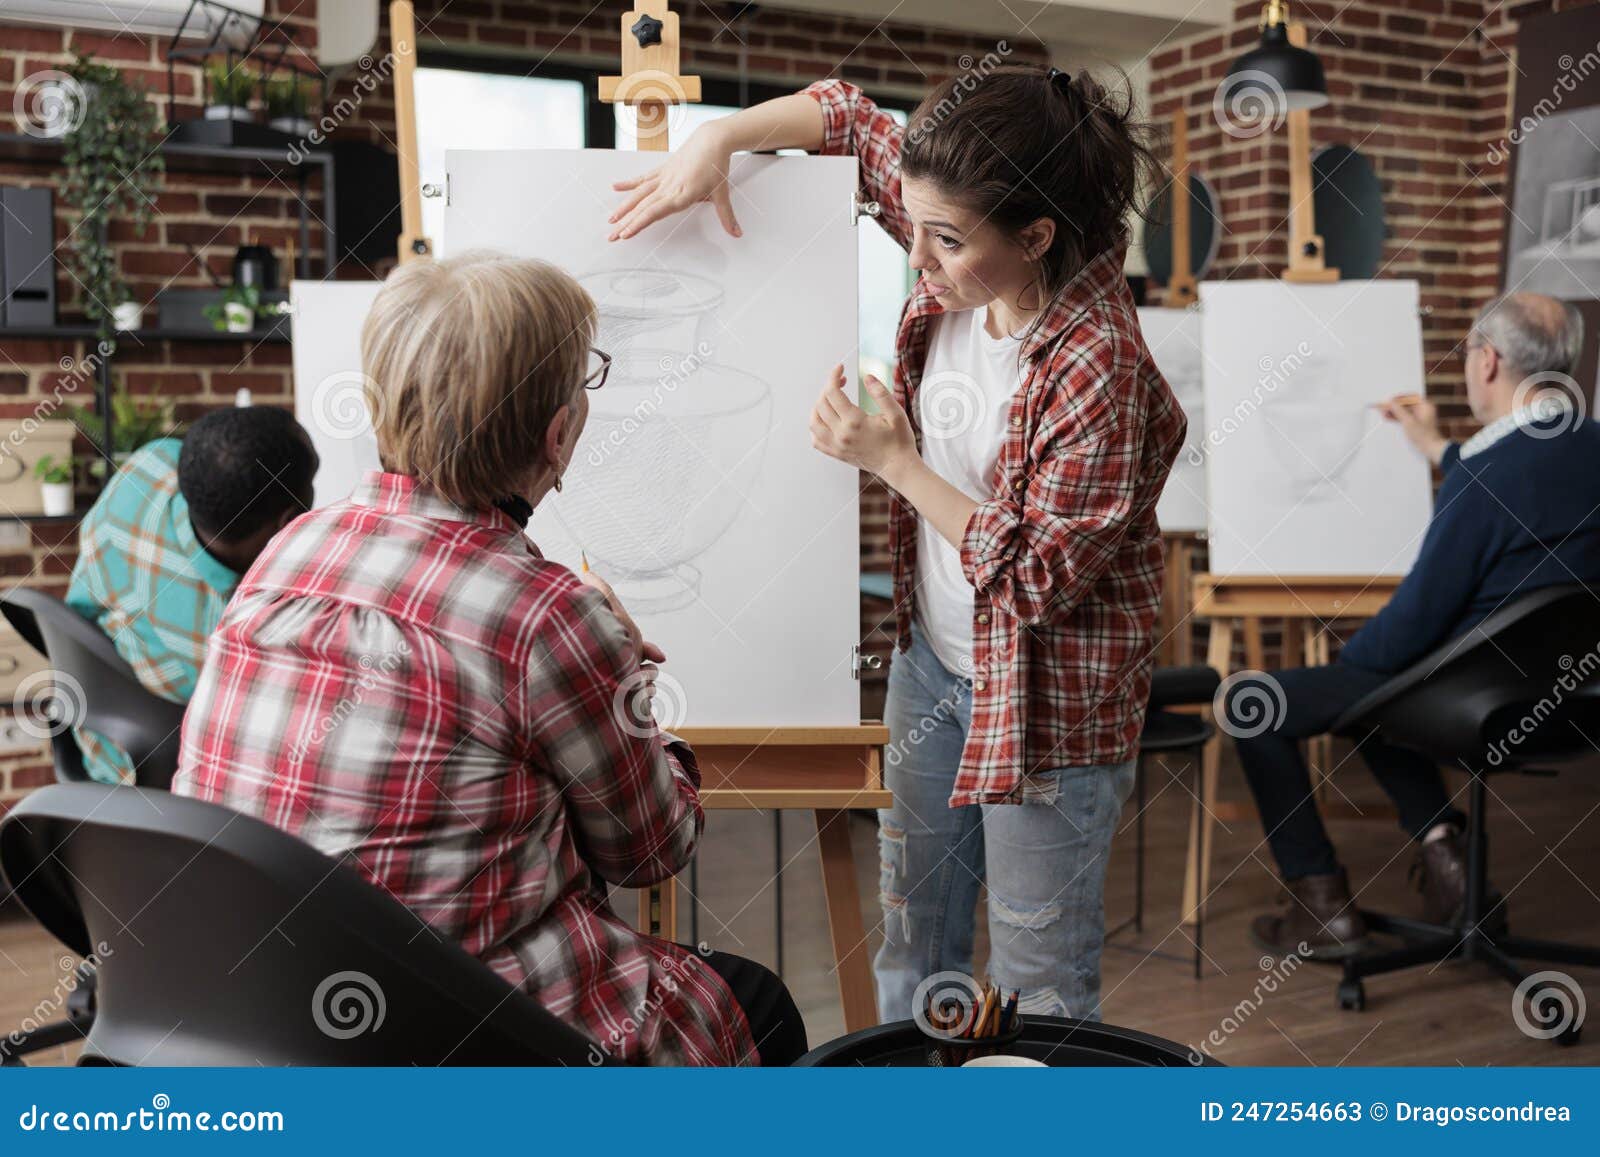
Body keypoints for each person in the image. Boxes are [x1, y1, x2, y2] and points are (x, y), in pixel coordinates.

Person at [607, 66, 1185, 1022]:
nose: (915, 254)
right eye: (911, 223)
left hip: (1048, 703)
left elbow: (1038, 577)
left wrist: (896, 462)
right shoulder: (956, 226)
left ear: (1037, 236)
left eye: (946, 241)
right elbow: (847, 117)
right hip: (932, 667)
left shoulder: (1097, 362)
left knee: (1041, 981)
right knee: (915, 950)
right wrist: (719, 141)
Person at [172, 253, 807, 1066]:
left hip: (256, 1013)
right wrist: (626, 681)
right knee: (760, 1005)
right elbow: (651, 850)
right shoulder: (548, 615)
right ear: (558, 433)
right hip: (448, 1038)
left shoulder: (292, 547)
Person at [1227, 292, 1600, 958]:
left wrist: (1350, 669)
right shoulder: (1582, 450)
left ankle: (1321, 908)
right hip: (1575, 709)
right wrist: (1437, 447)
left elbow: (1407, 632)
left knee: (1255, 703)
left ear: (1487, 361)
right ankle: (1453, 872)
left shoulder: (1487, 479)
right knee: (1380, 688)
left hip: (1479, 704)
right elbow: (1529, 491)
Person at [65, 406, 319, 784]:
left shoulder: (146, 466)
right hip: (165, 785)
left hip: (102, 742)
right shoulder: (238, 639)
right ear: (288, 522)